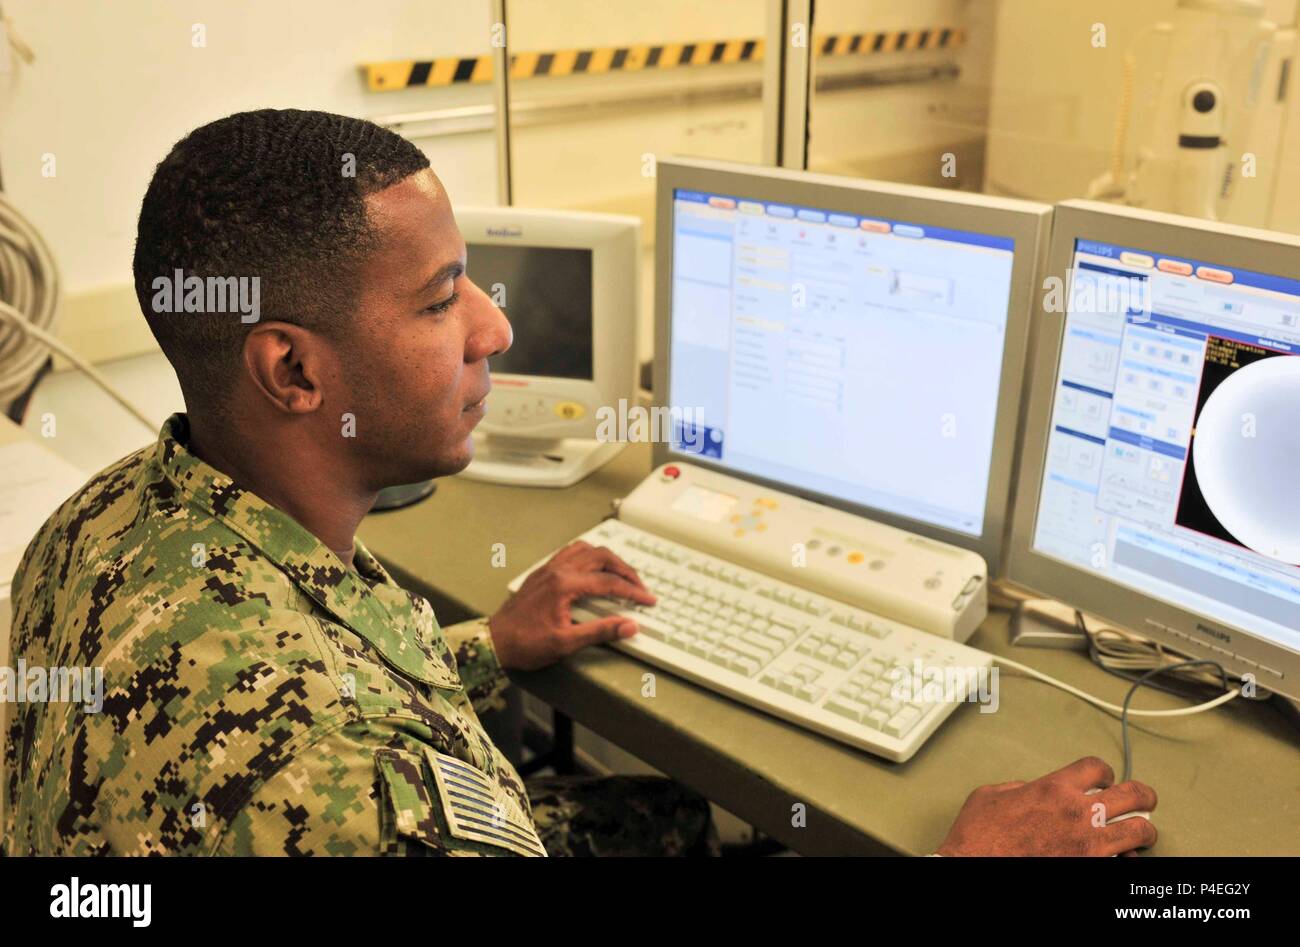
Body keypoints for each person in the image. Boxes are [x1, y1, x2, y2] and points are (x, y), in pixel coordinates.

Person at [2, 109, 1157, 857]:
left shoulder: (105, 522)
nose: (494, 327)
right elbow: (323, 758)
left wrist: (484, 645)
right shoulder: (345, 794)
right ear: (294, 368)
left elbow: (313, 674)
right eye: (442, 296)